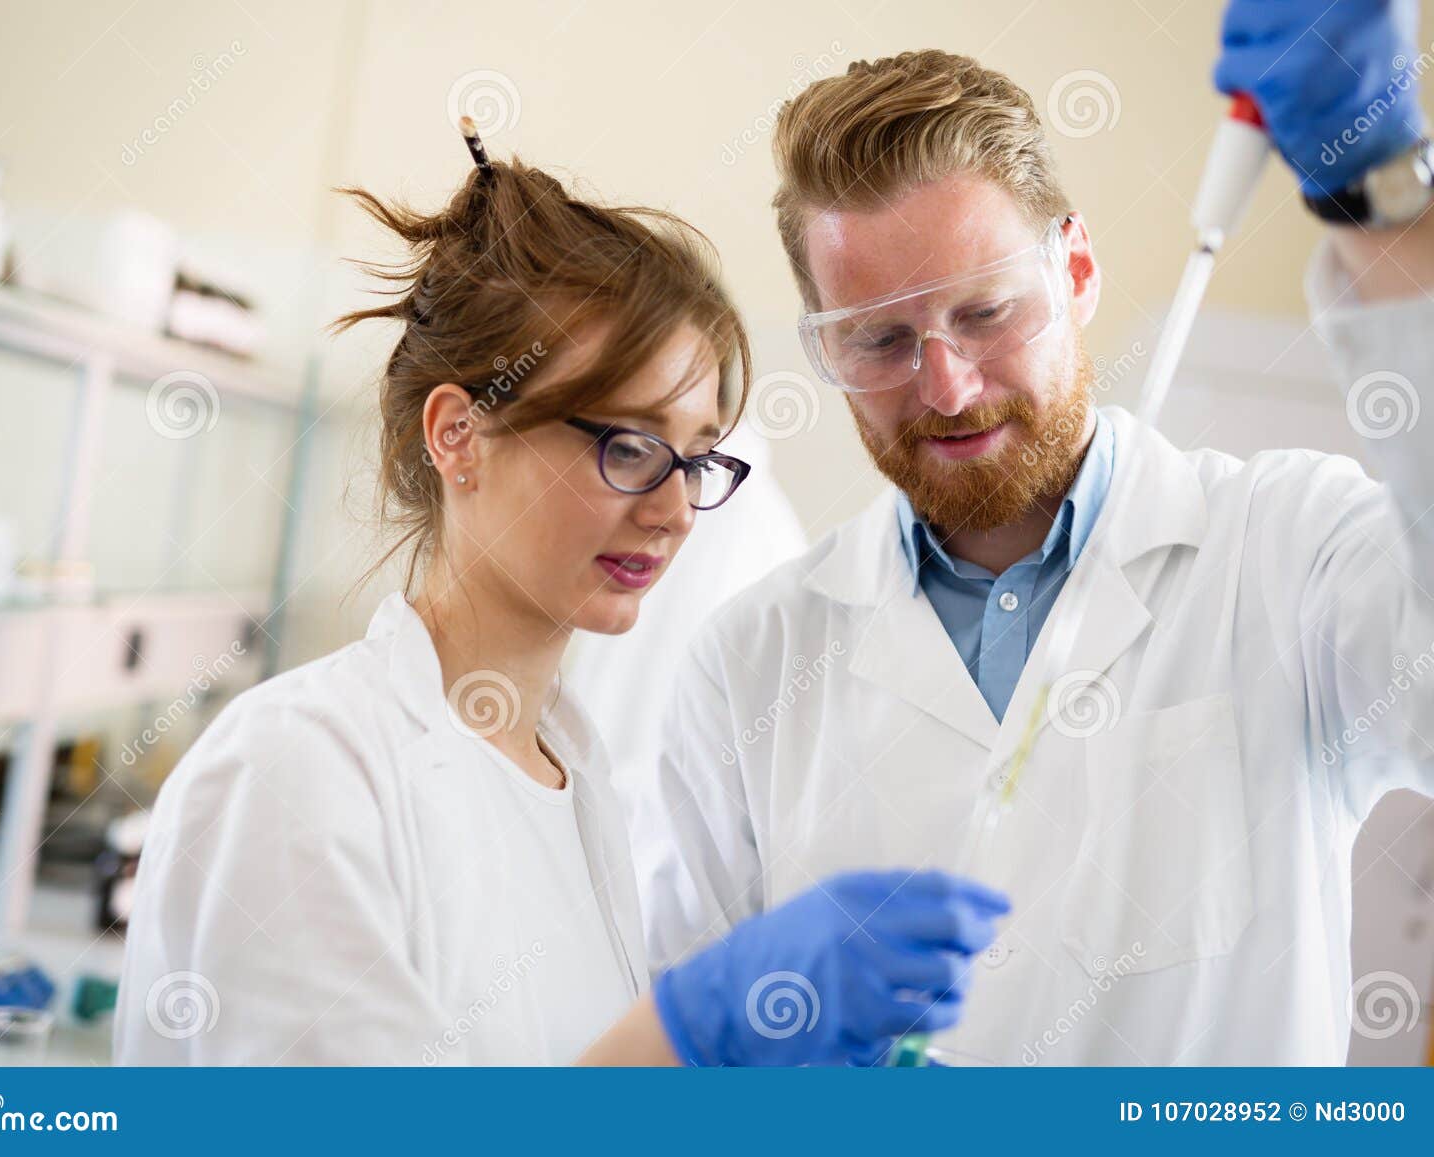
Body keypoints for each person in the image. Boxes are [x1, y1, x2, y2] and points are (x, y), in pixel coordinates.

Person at [113, 129, 1009, 1066]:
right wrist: (687, 1032)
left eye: (698, 457)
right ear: (458, 434)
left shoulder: (574, 779)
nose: (673, 509)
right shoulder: (299, 770)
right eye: (628, 445)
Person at [645, 4, 1434, 1065]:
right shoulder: (749, 665)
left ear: (1074, 271)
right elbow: (678, 1073)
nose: (948, 386)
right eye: (880, 338)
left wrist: (1384, 203)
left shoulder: (1285, 548)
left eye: (983, 312)